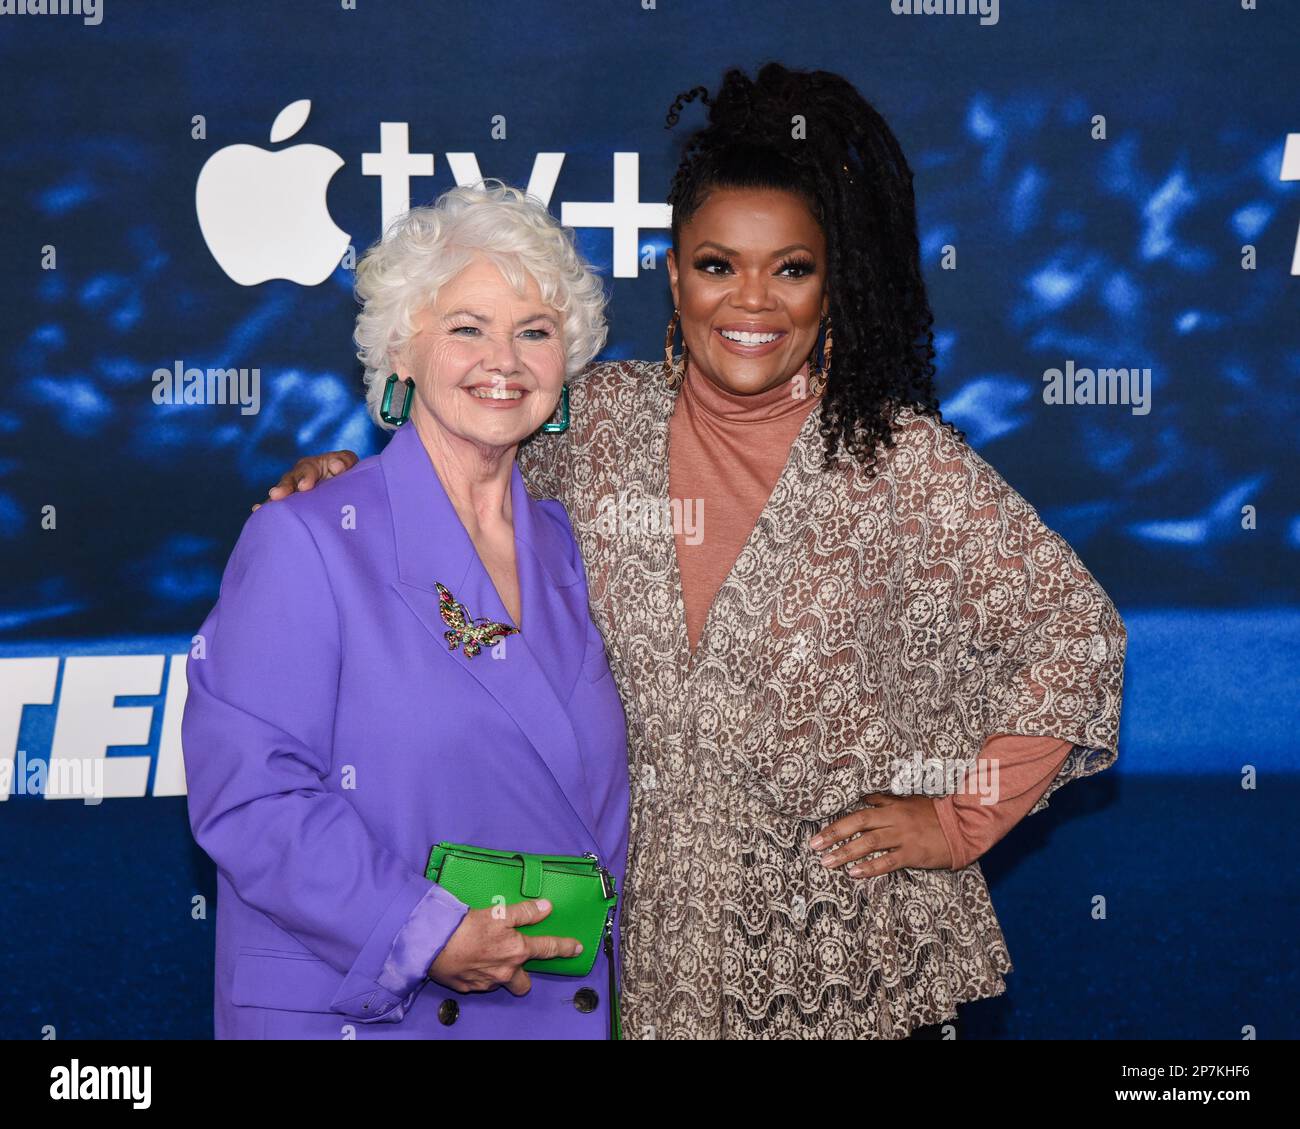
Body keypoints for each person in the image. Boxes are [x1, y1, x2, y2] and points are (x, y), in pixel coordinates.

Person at [262, 63, 1127, 1039]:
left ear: (828, 285)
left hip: (846, 973)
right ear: (673, 276)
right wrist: (350, 480)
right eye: (718, 265)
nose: (751, 301)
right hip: (628, 969)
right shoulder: (588, 427)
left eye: (790, 268)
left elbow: (1074, 636)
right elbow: (457, 475)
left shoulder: (899, 462)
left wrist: (957, 816)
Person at [183, 182, 629, 1039]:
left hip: (548, 1011)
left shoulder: (574, 547)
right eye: (467, 327)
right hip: (370, 1011)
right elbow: (250, 792)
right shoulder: (307, 537)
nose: (504, 359)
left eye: (534, 331)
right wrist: (428, 931)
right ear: (402, 351)